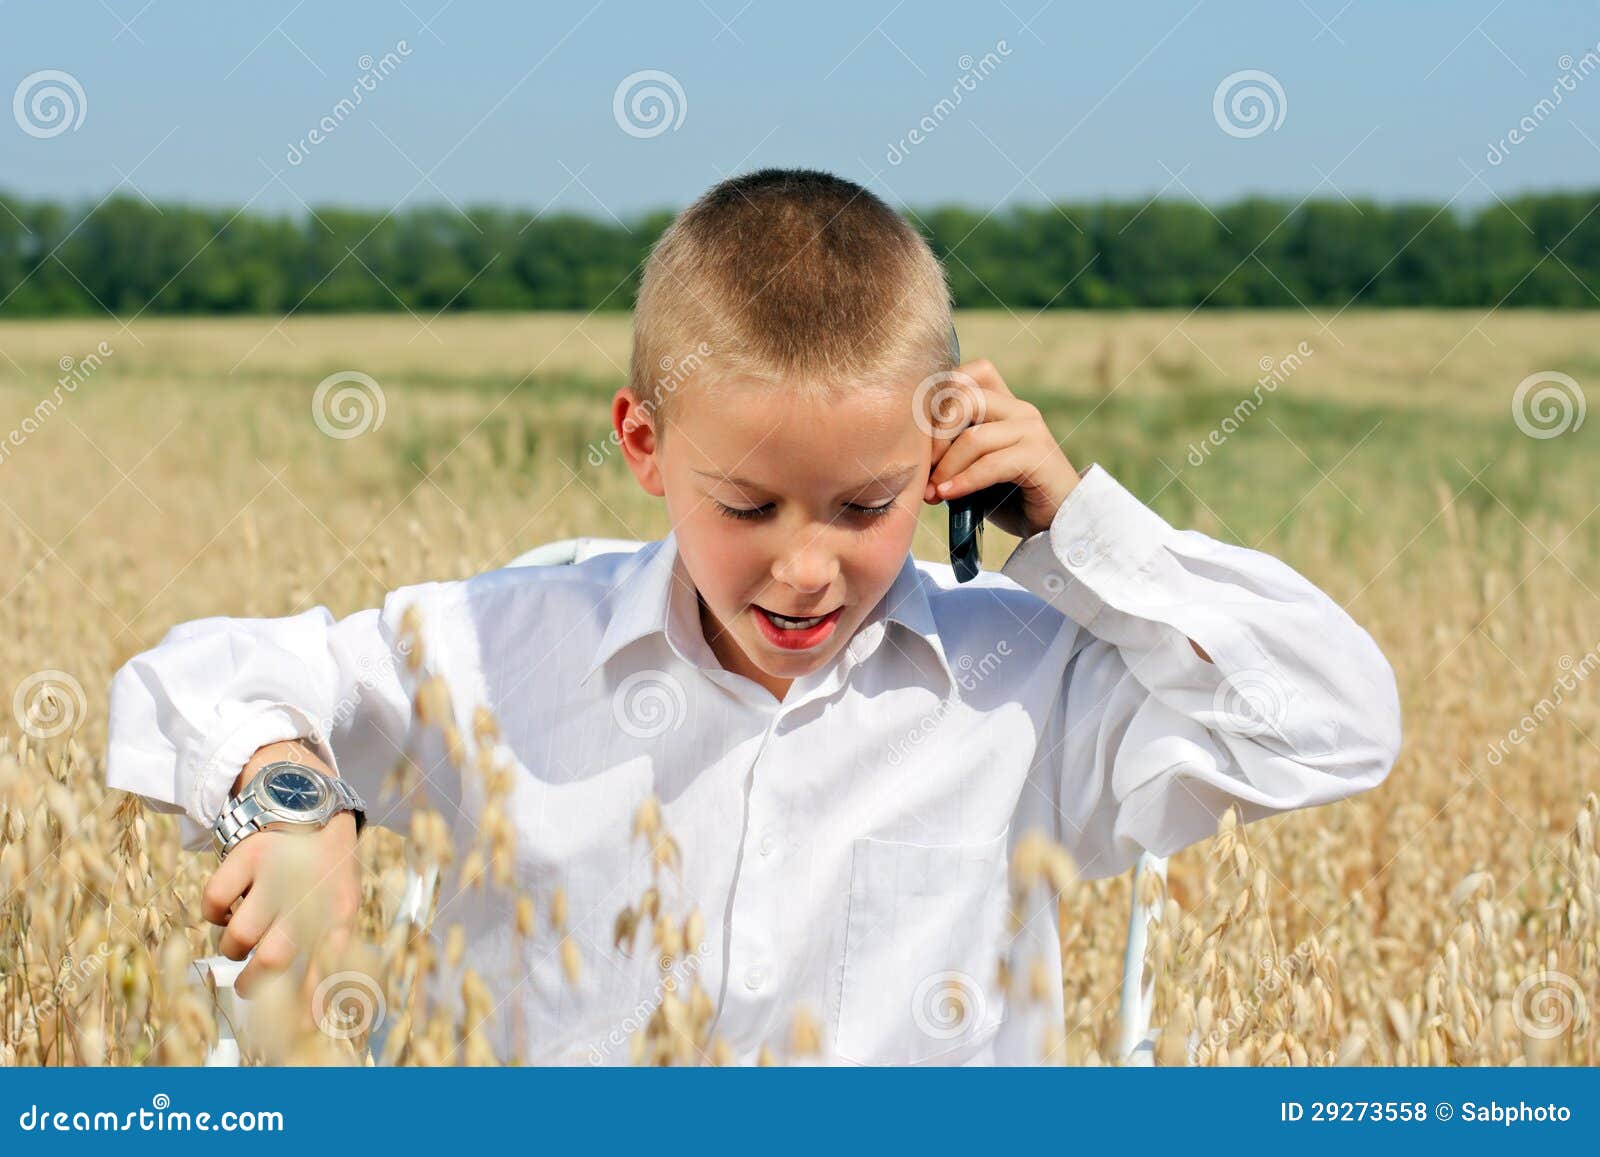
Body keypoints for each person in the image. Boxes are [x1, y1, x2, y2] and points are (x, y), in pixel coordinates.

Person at [105, 167, 1401, 1065]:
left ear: (948, 453)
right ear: (644, 445)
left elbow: (1333, 723)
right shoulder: (508, 650)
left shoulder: (1027, 687)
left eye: (862, 503)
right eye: (748, 503)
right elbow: (205, 672)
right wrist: (288, 799)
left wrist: (1073, 524)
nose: (804, 566)